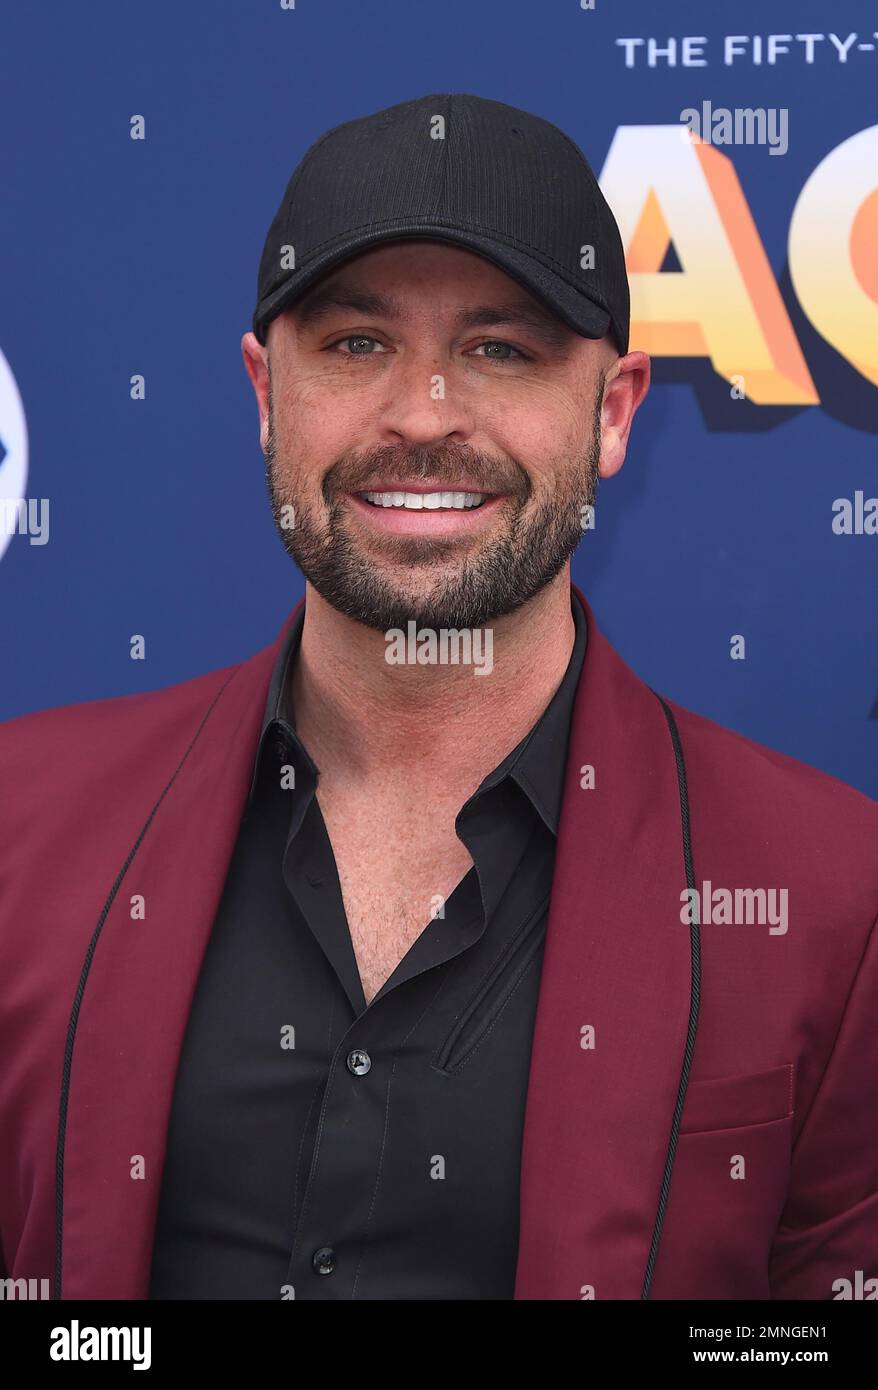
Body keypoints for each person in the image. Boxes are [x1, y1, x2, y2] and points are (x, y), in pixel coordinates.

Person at [1, 93, 876, 1303]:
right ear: (265, 393)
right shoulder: (21, 820)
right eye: (357, 344)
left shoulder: (831, 896)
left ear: (612, 410)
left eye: (500, 349)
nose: (422, 414)